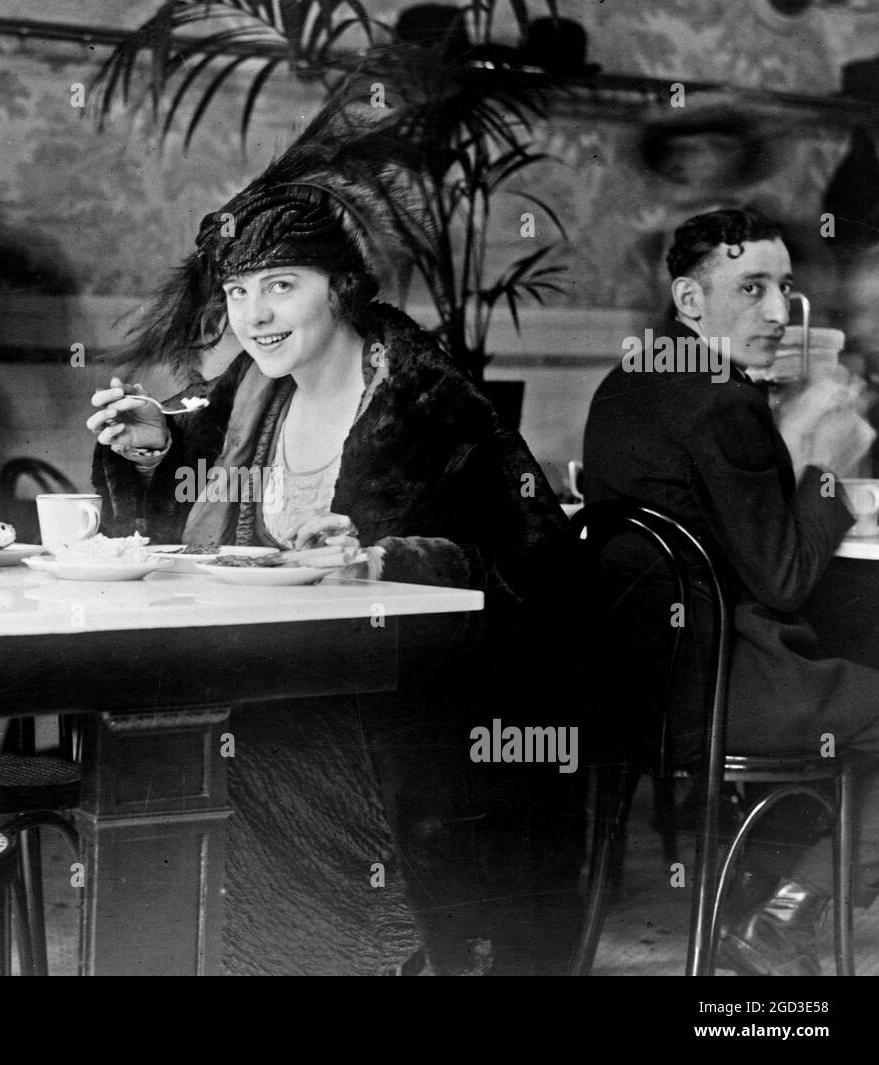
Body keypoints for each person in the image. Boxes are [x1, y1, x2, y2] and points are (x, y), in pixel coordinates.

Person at [85, 142, 584, 974]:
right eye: (238, 291)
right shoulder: (249, 394)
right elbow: (184, 524)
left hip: (408, 716)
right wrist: (154, 447)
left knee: (202, 751)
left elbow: (541, 575)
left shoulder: (429, 403)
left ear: (342, 287)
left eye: (281, 285)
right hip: (274, 685)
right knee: (153, 742)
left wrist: (386, 560)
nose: (255, 315)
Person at [582, 205, 879, 976]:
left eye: (784, 288)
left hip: (634, 690)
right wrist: (827, 467)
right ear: (690, 299)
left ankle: (754, 890)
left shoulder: (628, 380)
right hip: (718, 693)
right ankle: (779, 910)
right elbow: (782, 576)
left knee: (855, 660)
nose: (777, 312)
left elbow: (727, 520)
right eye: (752, 288)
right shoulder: (721, 397)